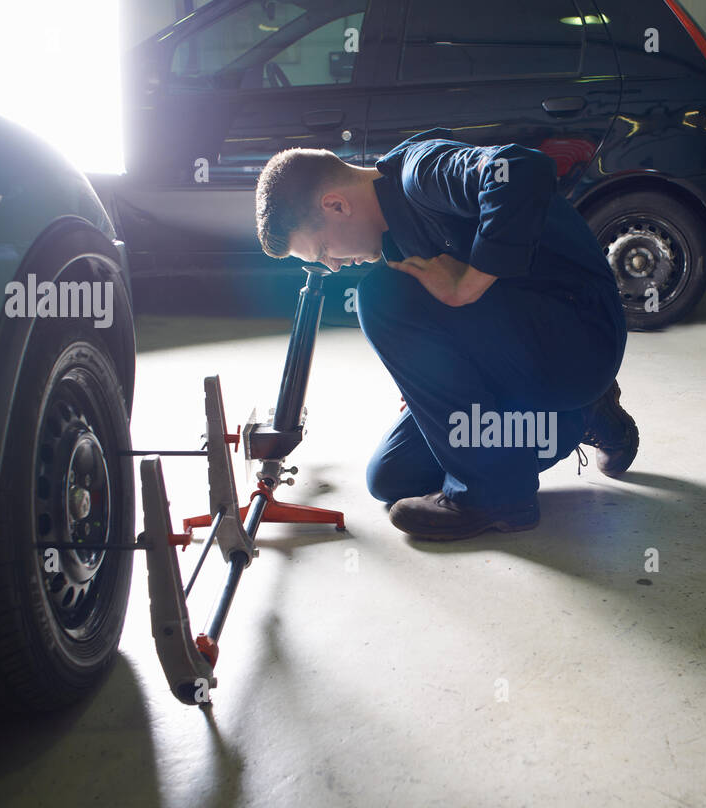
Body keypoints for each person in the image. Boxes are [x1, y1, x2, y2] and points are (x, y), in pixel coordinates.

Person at [254, 128, 638, 541]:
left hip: (578, 340)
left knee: (380, 296)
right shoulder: (393, 236)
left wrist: (469, 282)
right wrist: (431, 385)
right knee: (391, 477)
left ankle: (497, 496)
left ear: (335, 205)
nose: (333, 266)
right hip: (527, 359)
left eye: (321, 251)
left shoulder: (420, 171)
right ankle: (579, 416)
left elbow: (523, 169)